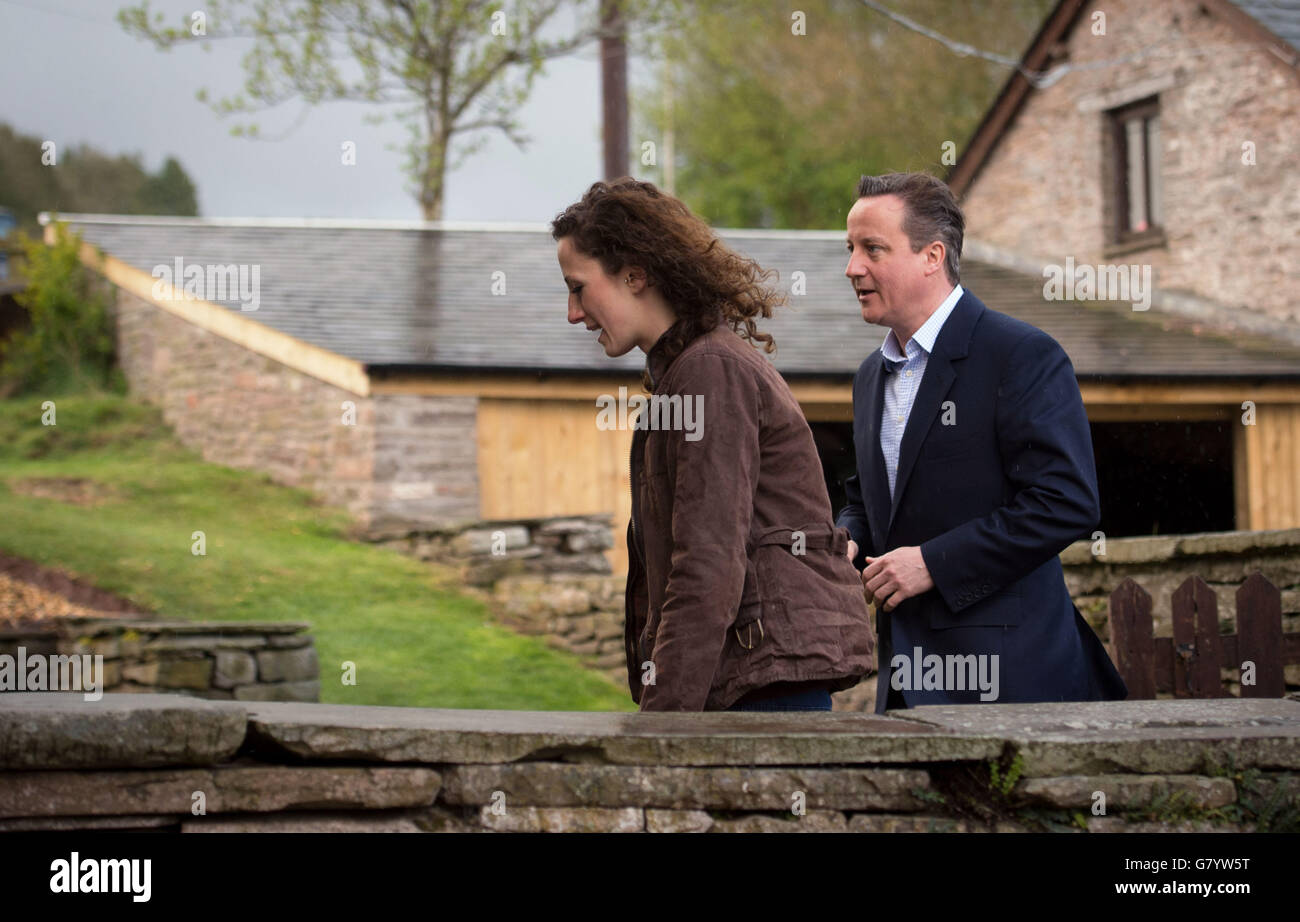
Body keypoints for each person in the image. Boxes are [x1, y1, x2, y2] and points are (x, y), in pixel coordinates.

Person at [552, 177, 874, 712]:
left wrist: (663, 724)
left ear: (634, 274)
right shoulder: (687, 374)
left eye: (578, 287)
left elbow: (707, 562)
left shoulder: (709, 371)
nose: (572, 313)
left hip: (763, 691)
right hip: (745, 682)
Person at [836, 171, 1127, 713]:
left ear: (933, 256)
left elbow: (1066, 502)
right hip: (905, 682)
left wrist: (933, 564)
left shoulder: (1020, 355)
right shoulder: (869, 376)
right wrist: (845, 538)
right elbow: (871, 502)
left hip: (1013, 681)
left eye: (873, 248)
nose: (853, 267)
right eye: (851, 249)